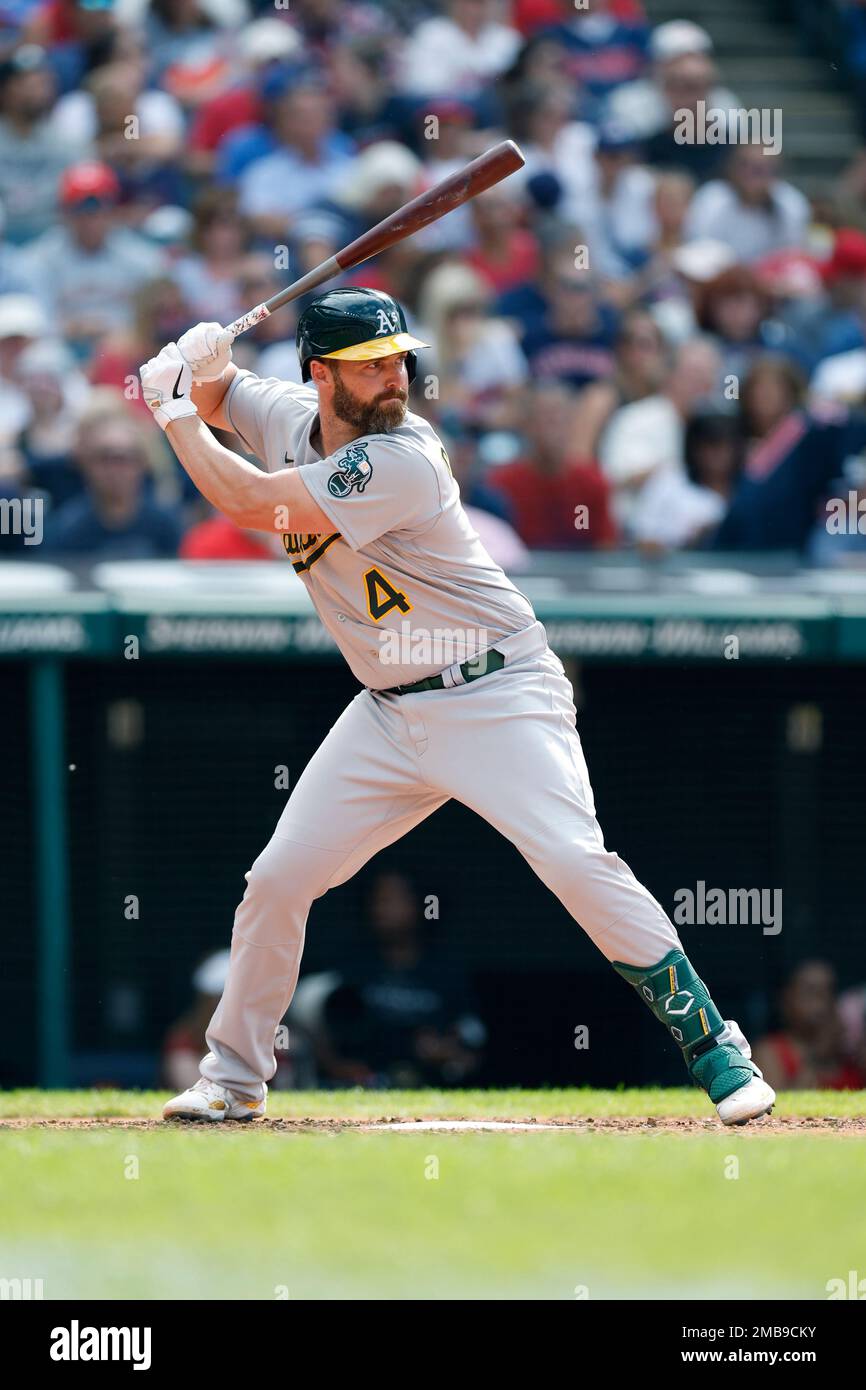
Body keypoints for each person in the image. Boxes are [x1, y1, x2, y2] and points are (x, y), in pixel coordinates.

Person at [141, 284, 775, 1128]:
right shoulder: (289, 412)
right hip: (387, 709)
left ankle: (714, 1044)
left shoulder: (403, 455)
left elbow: (250, 501)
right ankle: (234, 1075)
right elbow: (224, 396)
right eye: (370, 367)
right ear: (322, 377)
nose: (394, 377)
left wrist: (174, 411)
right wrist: (201, 368)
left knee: (573, 858)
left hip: (497, 692)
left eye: (398, 360)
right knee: (278, 880)